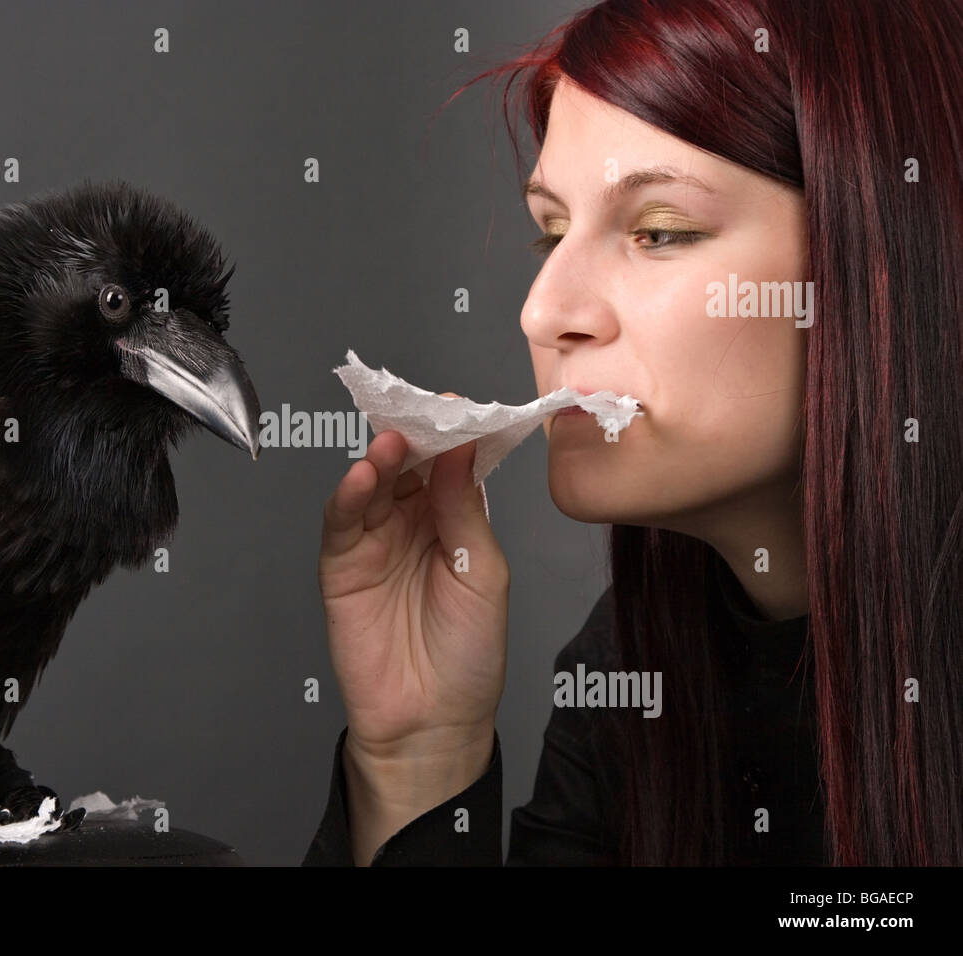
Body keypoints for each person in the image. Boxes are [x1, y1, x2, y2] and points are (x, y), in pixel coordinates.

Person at [303, 0, 963, 866]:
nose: (543, 314)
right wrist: (419, 757)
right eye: (551, 234)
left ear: (886, 255)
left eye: (659, 232)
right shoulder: (635, 672)